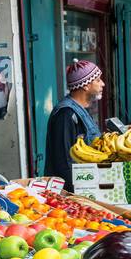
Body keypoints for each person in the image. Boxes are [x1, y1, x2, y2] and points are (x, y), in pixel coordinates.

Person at [44, 59, 106, 187]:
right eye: (98, 80)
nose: (103, 84)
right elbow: (64, 163)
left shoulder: (81, 111)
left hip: (88, 186)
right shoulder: (65, 114)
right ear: (85, 85)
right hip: (72, 193)